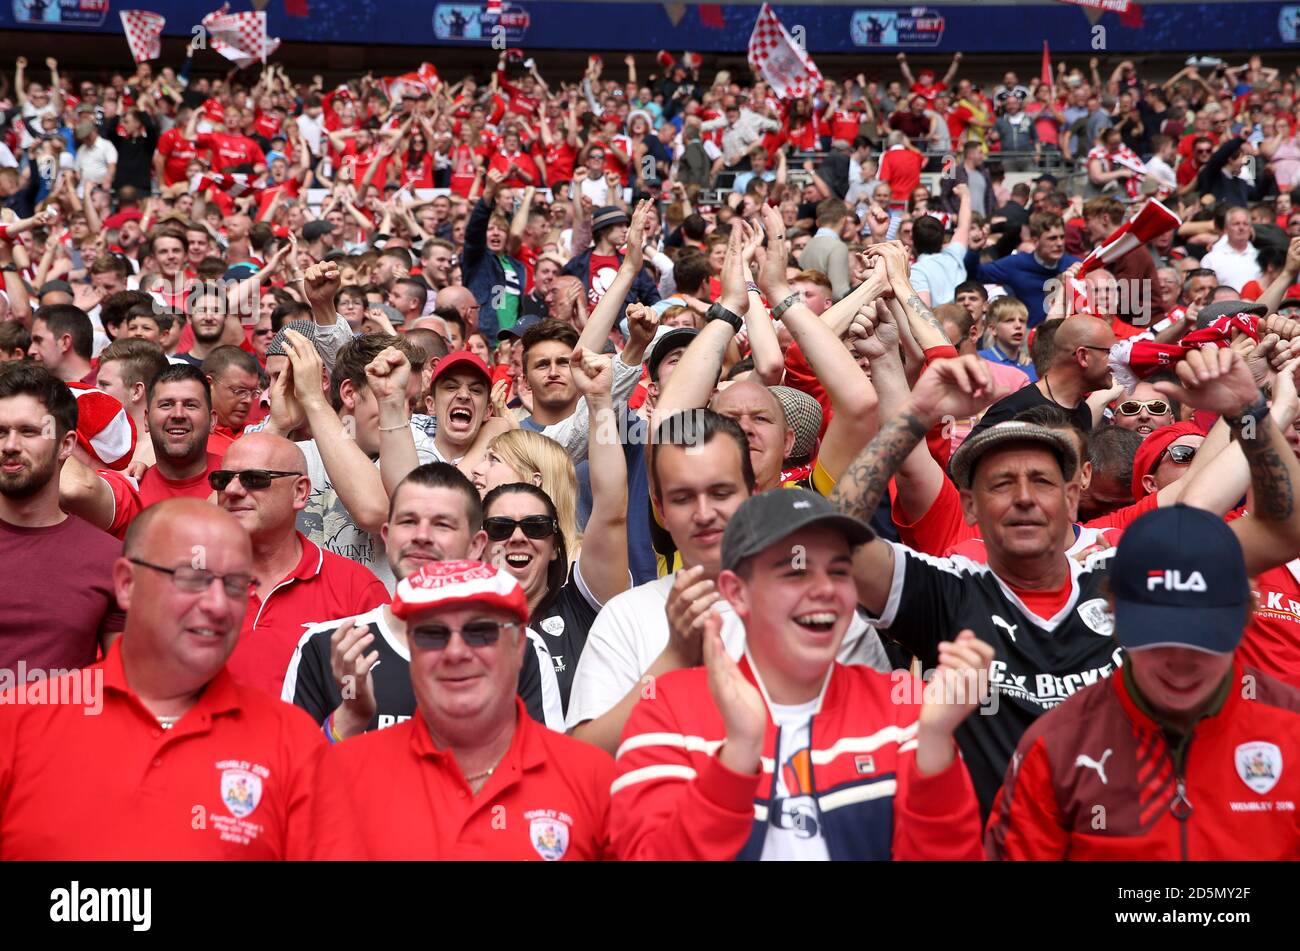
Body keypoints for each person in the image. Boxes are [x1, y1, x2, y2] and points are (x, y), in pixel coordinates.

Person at [829, 347, 1300, 815]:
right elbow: (831, 541)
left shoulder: (1127, 568)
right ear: (970, 507)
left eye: (1042, 481)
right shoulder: (946, 589)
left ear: (1073, 498)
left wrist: (1250, 413)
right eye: (1000, 484)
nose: (1024, 499)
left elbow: (1284, 531)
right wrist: (917, 412)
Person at [610, 489, 988, 860]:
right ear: (737, 593)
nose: (824, 589)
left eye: (839, 571)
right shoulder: (667, 708)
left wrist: (936, 743)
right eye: (796, 570)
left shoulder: (903, 708)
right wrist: (737, 756)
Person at [0, 499, 322, 859]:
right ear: (126, 584)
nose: (218, 605)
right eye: (193, 577)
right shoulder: (20, 722)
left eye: (235, 584)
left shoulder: (293, 741)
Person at [567, 409, 889, 754]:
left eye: (721, 493)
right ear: (660, 509)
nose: (704, 514)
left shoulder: (820, 606)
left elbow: (885, 738)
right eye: (683, 498)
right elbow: (583, 758)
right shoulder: (625, 616)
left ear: (751, 493)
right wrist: (674, 657)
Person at [986, 506, 1300, 860]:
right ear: (1114, 617)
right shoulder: (1057, 747)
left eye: (1204, 638)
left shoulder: (1292, 728)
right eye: (1158, 637)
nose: (1180, 663)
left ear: (1245, 619)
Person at [309, 560, 615, 860]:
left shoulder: (593, 777)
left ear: (519, 644)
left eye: (480, 631)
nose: (455, 652)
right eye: (432, 634)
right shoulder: (346, 777)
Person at [282, 462, 561, 737]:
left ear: (476, 546)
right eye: (408, 522)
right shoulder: (326, 646)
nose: (422, 536)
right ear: (388, 537)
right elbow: (291, 779)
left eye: (442, 524)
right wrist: (349, 718)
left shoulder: (516, 646)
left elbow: (545, 774)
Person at [480, 346, 630, 717]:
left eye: (535, 527)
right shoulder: (463, 610)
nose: (517, 537)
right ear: (479, 540)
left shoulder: (580, 596)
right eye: (499, 527)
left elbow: (611, 509)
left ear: (555, 547)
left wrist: (599, 404)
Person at [215, 432, 389, 696]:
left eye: (254, 479)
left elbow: (382, 703)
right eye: (222, 479)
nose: (232, 490)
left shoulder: (355, 590)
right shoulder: (193, 582)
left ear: (300, 492)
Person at [0, 364, 124, 674]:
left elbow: (123, 685)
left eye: (29, 431)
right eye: (0, 432)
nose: (10, 445)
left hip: (64, 719)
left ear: (65, 445)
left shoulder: (109, 559)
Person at [970, 316, 1115, 436]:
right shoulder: (1015, 409)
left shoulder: (1083, 412)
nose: (1117, 360)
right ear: (1083, 356)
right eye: (1110, 352)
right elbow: (958, 467)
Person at [137, 364, 225, 509]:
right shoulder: (131, 489)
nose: (178, 414)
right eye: (166, 405)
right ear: (146, 420)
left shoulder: (239, 481)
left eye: (191, 405)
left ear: (212, 421)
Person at [27, 304, 96, 385]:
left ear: (65, 342)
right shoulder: (39, 392)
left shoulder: (107, 392)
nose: (30, 351)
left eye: (38, 340)